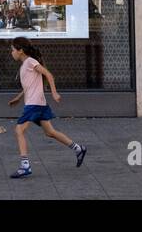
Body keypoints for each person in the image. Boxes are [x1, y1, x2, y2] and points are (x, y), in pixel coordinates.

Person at [6, 36, 86, 178]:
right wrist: (18, 98)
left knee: (19, 130)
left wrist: (54, 93)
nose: (11, 53)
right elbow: (29, 86)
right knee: (50, 132)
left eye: (12, 50)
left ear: (21, 51)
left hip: (34, 103)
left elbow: (49, 75)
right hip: (38, 103)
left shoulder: (31, 62)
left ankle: (25, 166)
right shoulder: (25, 64)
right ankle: (78, 148)